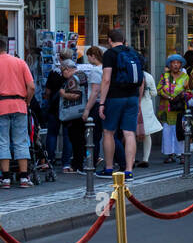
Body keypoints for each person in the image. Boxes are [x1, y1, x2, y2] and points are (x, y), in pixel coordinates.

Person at [0, 35, 36, 189]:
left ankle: (5, 178)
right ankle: (24, 177)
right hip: (19, 105)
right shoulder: (20, 62)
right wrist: (27, 101)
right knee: (21, 140)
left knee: (1, 141)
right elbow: (31, 86)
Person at [97, 27, 143, 178]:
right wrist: (139, 101)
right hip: (133, 98)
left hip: (115, 97)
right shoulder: (134, 53)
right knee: (129, 133)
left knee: (108, 132)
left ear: (109, 40)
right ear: (123, 40)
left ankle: (109, 168)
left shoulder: (109, 54)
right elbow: (141, 81)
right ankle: (129, 170)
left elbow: (106, 79)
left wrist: (102, 103)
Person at [56, 60, 89, 174]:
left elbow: (76, 95)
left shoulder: (73, 78)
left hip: (75, 114)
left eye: (62, 71)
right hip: (82, 111)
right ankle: (81, 162)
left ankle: (77, 165)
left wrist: (63, 94)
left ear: (68, 69)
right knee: (80, 139)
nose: (62, 74)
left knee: (76, 140)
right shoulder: (82, 74)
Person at [157, 55, 190, 163]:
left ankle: (181, 154)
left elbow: (189, 92)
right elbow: (159, 90)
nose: (175, 65)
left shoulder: (185, 76)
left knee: (180, 130)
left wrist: (182, 95)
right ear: (169, 64)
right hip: (166, 108)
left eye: (178, 63)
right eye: (173, 63)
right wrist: (170, 97)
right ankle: (169, 154)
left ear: (181, 65)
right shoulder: (165, 76)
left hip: (179, 108)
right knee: (167, 131)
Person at [136, 58, 160, 167]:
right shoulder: (148, 76)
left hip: (134, 106)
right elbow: (154, 93)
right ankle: (145, 159)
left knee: (131, 133)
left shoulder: (132, 75)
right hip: (146, 106)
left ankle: (131, 158)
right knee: (147, 133)